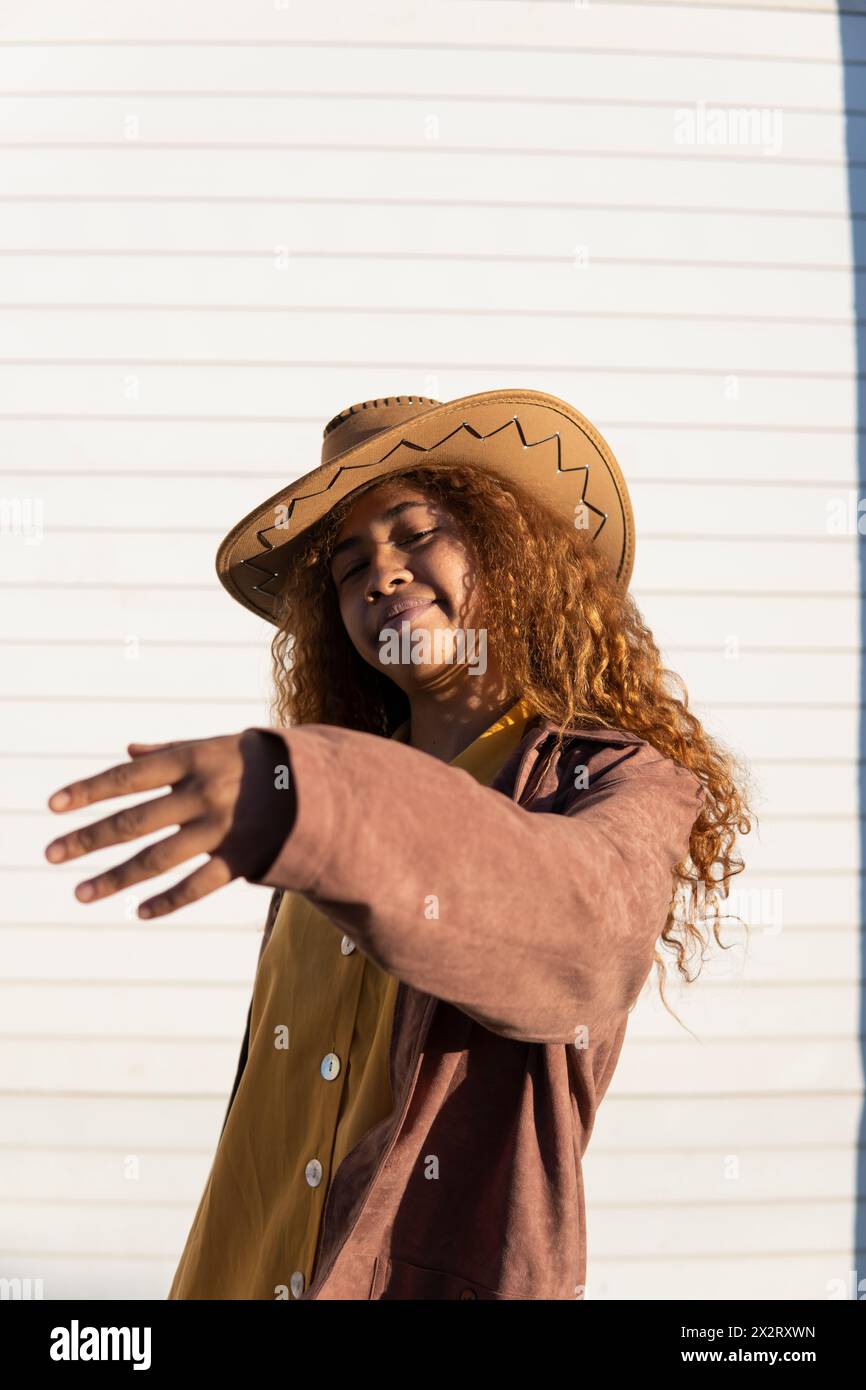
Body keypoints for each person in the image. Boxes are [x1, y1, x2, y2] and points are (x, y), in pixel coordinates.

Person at [44, 390, 753, 1300]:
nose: (381, 575)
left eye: (419, 534)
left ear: (515, 549)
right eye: (348, 567)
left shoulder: (619, 783)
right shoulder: (316, 794)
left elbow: (585, 933)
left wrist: (319, 800)